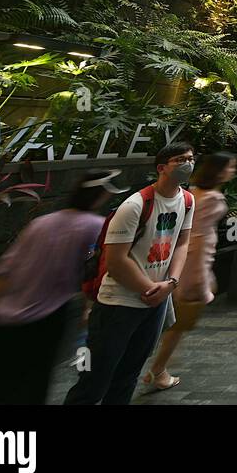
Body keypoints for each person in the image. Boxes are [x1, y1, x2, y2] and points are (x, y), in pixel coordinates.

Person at [0, 170, 120, 405]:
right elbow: (95, 271)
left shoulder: (41, 223)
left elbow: (7, 268)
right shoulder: (95, 227)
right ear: (100, 197)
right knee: (31, 383)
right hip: (47, 317)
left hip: (3, 315)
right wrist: (88, 308)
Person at [65, 143, 196, 405]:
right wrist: (151, 289)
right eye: (180, 159)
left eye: (191, 159)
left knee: (128, 375)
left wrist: (171, 283)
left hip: (155, 302)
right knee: (95, 380)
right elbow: (115, 260)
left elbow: (182, 242)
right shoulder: (135, 205)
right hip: (118, 303)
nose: (188, 164)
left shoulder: (187, 200)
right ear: (161, 168)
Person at [143, 151, 236, 390]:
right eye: (230, 167)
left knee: (176, 321)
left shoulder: (192, 193)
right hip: (194, 263)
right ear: (218, 170)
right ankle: (157, 370)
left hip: (185, 260)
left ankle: (157, 366)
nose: (233, 171)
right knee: (180, 323)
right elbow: (196, 238)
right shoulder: (211, 198)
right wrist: (198, 276)